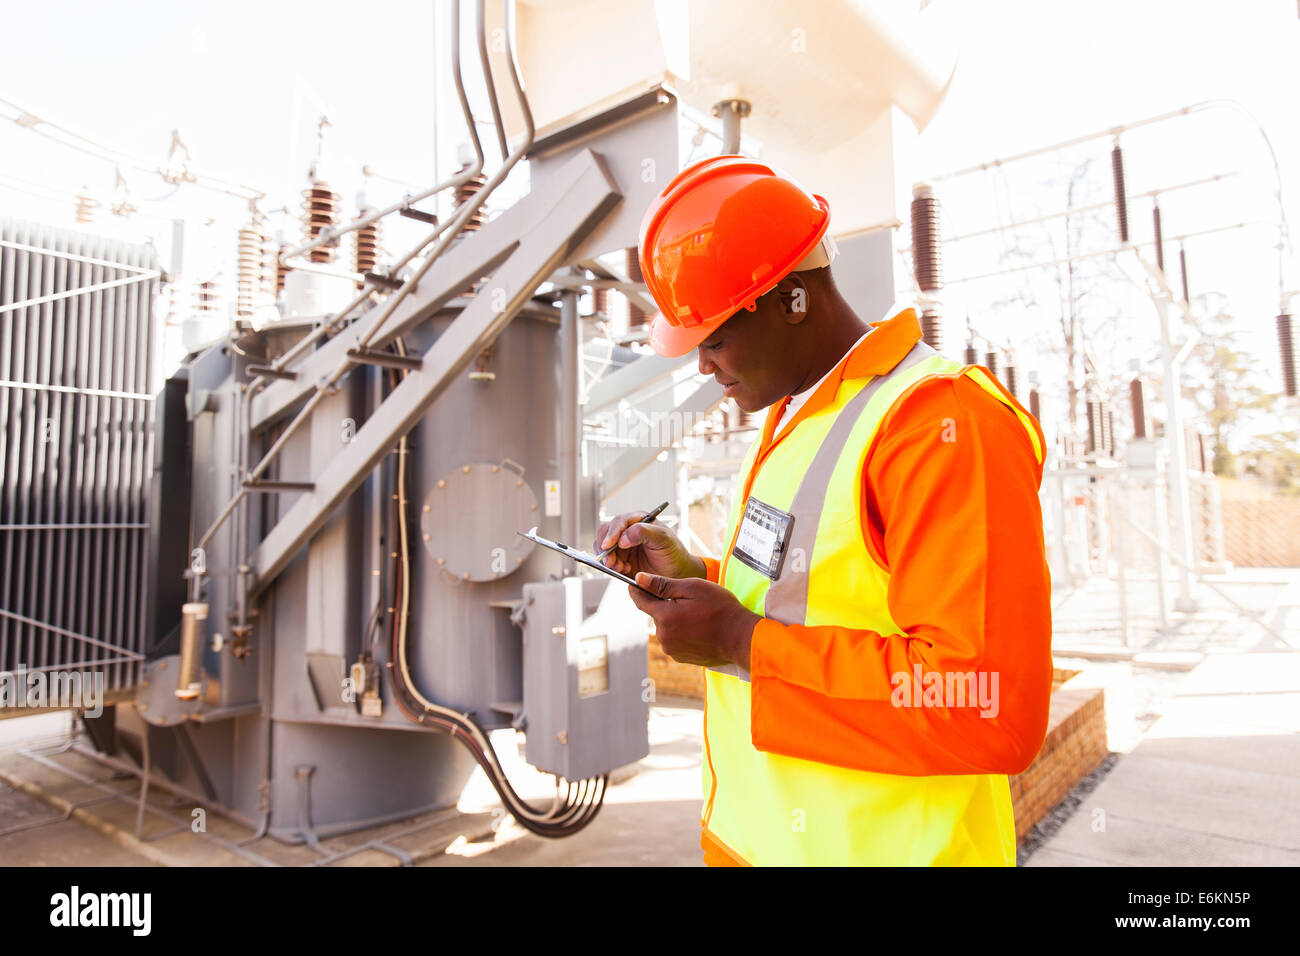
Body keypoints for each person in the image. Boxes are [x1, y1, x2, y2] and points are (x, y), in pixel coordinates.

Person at [594, 155, 1053, 866]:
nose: (704, 366)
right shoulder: (793, 420)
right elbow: (815, 597)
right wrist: (700, 576)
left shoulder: (937, 424)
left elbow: (984, 705)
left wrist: (740, 641)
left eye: (713, 338)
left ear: (792, 301)